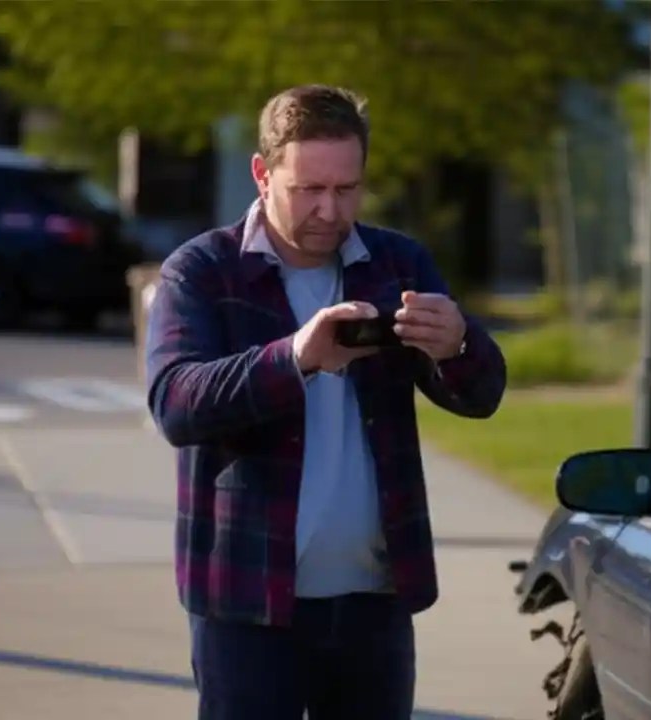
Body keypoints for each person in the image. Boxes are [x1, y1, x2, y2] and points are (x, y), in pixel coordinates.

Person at [143, 84, 507, 720]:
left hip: (374, 601)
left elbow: (482, 396)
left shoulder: (397, 262)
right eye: (308, 189)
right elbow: (176, 403)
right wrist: (295, 357)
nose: (330, 211)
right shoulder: (200, 271)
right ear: (262, 174)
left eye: (347, 189)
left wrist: (458, 345)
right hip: (248, 602)